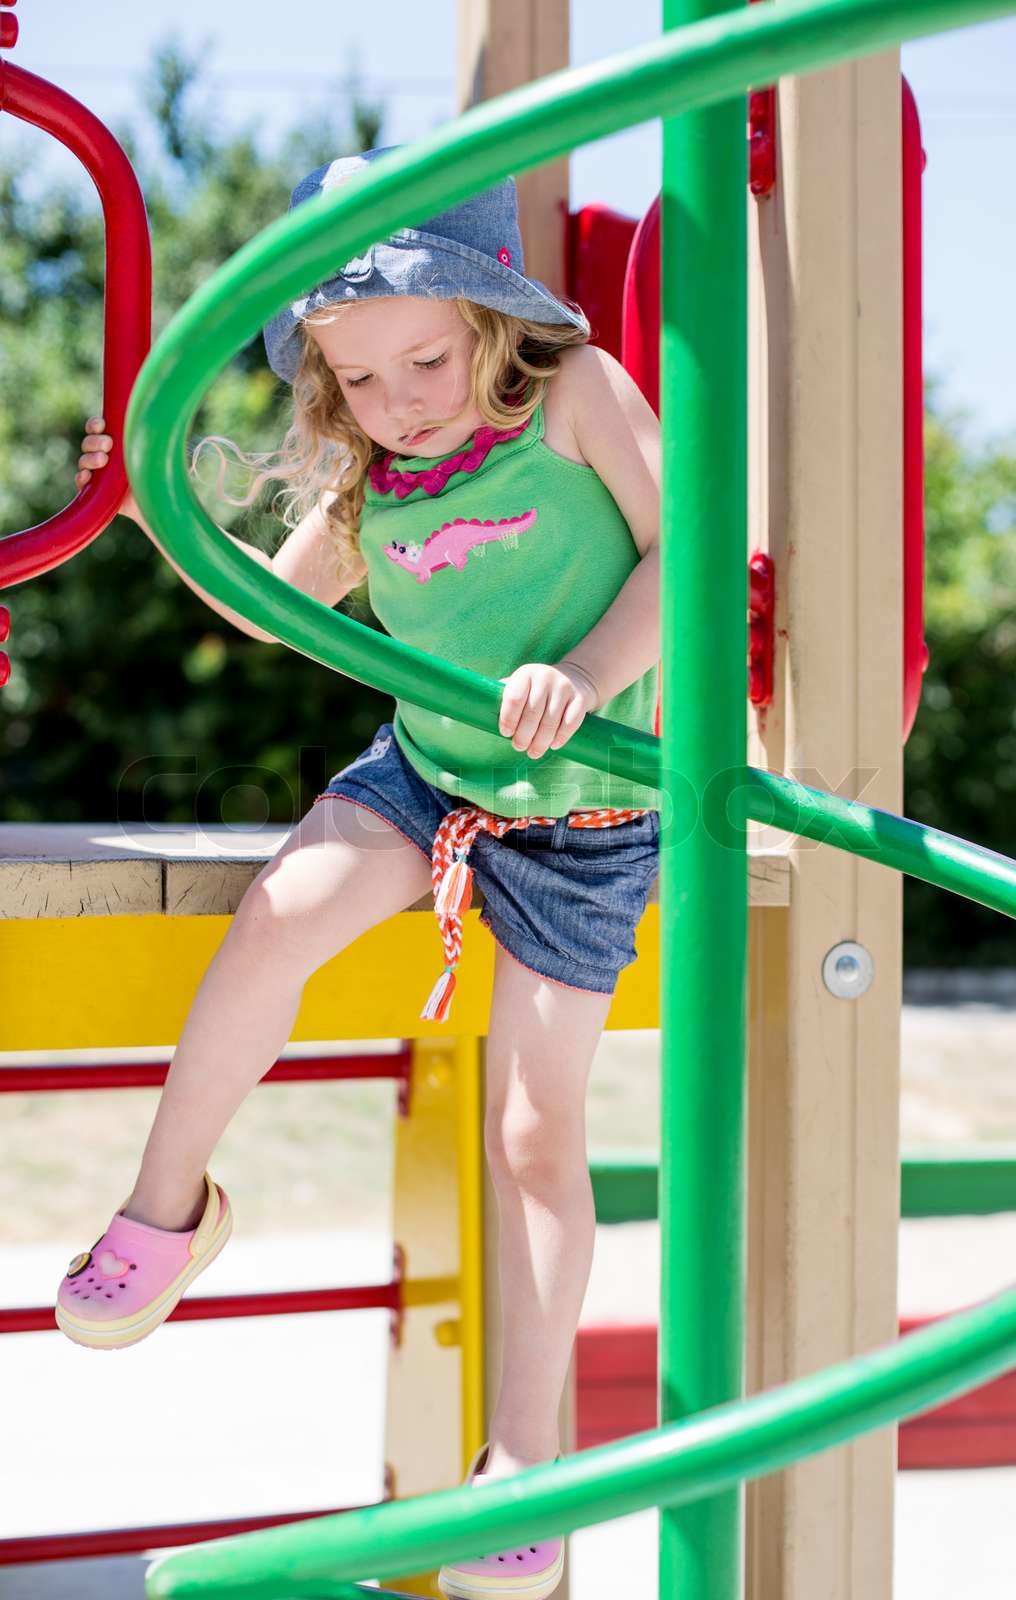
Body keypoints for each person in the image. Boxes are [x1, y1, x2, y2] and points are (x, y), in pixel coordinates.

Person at [56, 146, 662, 1600]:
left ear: (496, 321)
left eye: (426, 361)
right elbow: (273, 613)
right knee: (274, 920)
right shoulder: (377, 474)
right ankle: (167, 1210)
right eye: (359, 377)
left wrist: (586, 675)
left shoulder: (579, 396)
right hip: (431, 777)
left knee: (533, 1130)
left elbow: (686, 551)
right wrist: (152, 513)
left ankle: (524, 1464)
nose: (398, 402)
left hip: (585, 815)